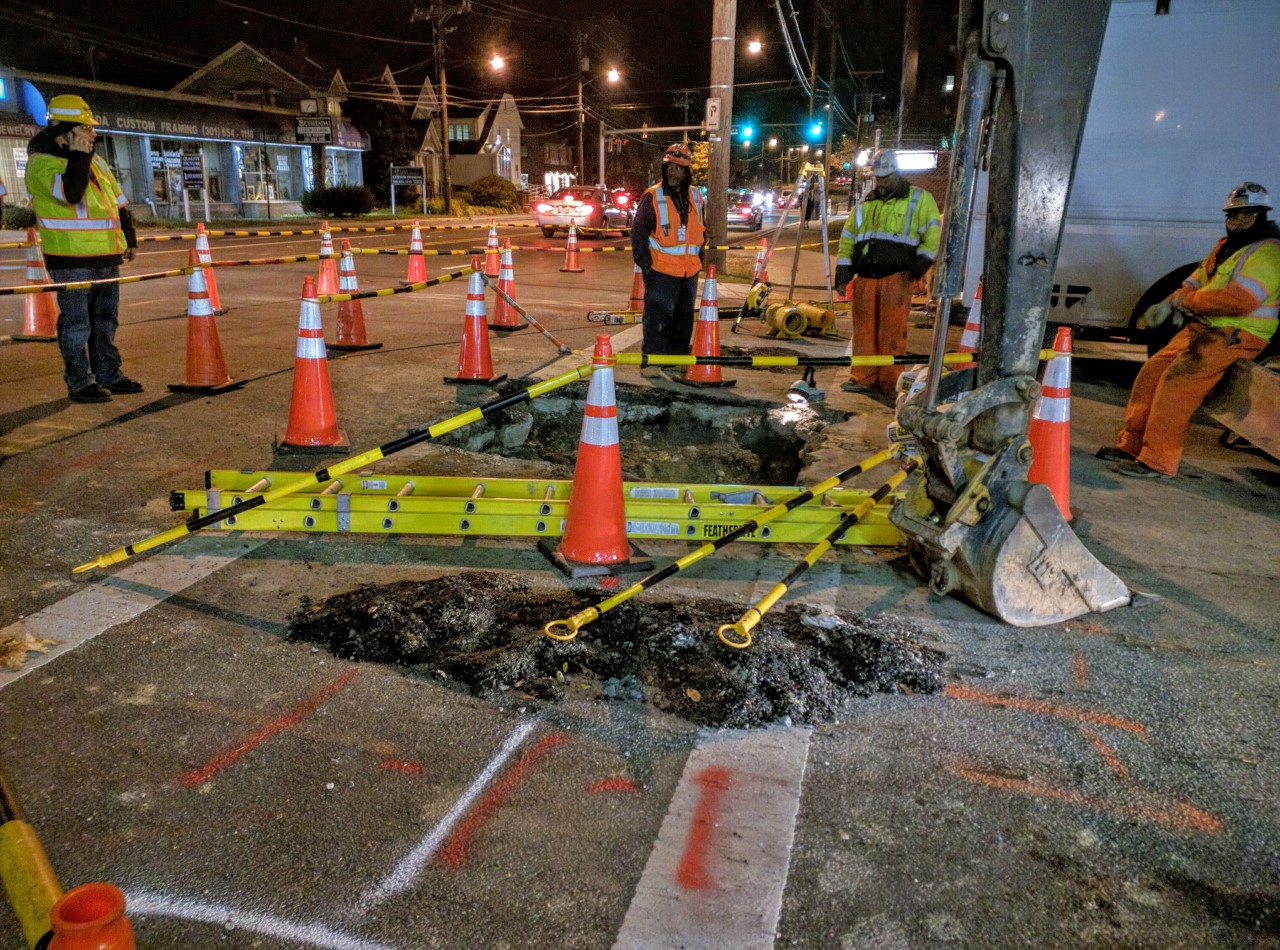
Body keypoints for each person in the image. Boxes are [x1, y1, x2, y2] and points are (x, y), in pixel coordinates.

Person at [1097, 181, 1280, 478]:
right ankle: (1131, 445)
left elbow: (1240, 301)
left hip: (1237, 334)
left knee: (1176, 384)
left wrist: (1189, 302)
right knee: (1151, 373)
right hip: (1205, 329)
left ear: (1259, 215)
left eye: (1244, 214)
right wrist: (1170, 303)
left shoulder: (1268, 253)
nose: (1235, 220)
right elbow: (1195, 279)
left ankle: (1158, 462)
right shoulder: (1227, 247)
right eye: (1231, 215)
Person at [25, 94, 142, 404]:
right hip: (70, 259)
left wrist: (129, 238)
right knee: (77, 325)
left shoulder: (97, 161)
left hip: (105, 257)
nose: (92, 134)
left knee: (106, 322)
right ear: (64, 131)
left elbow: (117, 203)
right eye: (85, 129)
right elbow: (72, 194)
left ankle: (109, 375)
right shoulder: (41, 164)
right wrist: (78, 155)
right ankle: (80, 382)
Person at [833, 148, 940, 396]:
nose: (880, 182)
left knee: (892, 333)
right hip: (867, 277)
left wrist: (919, 267)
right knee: (864, 333)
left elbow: (932, 236)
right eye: (877, 177)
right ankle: (863, 378)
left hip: (897, 276)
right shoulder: (866, 204)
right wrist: (843, 274)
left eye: (885, 177)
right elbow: (848, 239)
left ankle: (890, 382)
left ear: (897, 173)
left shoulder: (919, 199)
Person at [630, 142, 704, 379]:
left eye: (678, 168)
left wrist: (699, 259)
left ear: (687, 172)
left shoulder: (696, 196)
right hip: (661, 270)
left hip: (689, 271)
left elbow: (701, 230)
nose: (673, 172)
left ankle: (677, 359)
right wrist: (646, 265)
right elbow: (639, 232)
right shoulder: (653, 196)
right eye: (669, 167)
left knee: (683, 318)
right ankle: (652, 361)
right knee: (658, 317)